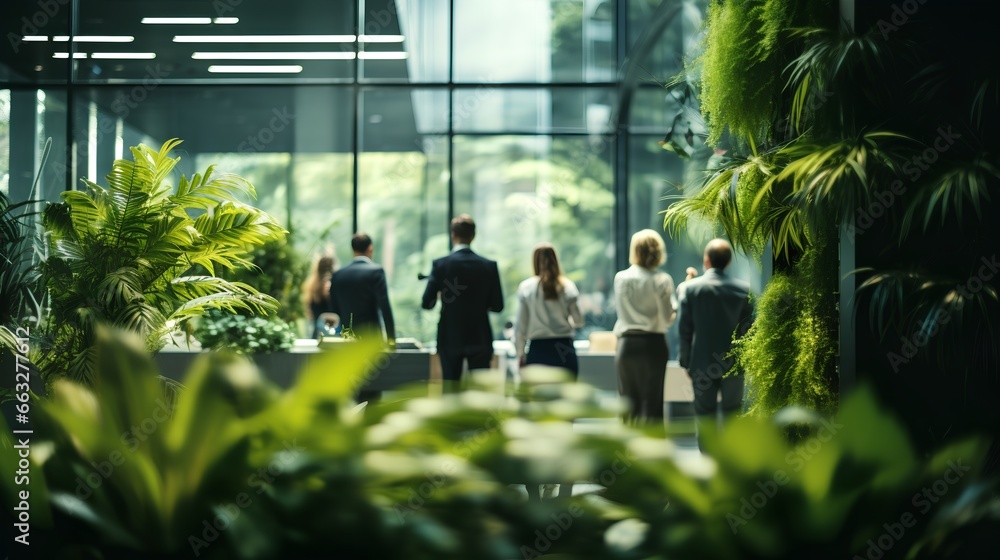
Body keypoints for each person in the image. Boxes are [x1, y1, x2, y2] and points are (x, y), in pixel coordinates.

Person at [677, 238, 754, 451]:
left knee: (705, 417)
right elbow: (748, 331)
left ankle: (708, 461)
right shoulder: (744, 290)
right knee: (732, 415)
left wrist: (685, 361)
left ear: (706, 260)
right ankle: (730, 461)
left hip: (701, 364)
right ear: (728, 262)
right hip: (734, 364)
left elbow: (685, 329)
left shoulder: (691, 289)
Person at [422, 214, 504, 388]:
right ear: (473, 236)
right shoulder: (489, 266)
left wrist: (441, 295)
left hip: (450, 337)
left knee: (450, 390)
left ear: (453, 236)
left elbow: (426, 303)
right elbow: (498, 306)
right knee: (480, 392)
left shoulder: (441, 264)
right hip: (480, 337)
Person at [612, 229, 677, 425]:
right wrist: (676, 305)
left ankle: (626, 444)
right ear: (657, 251)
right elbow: (667, 319)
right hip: (653, 345)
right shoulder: (662, 279)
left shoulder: (620, 278)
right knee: (653, 405)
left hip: (626, 345)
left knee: (627, 405)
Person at [514, 243, 584, 377]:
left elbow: (520, 327)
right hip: (563, 348)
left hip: (538, 350)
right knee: (567, 389)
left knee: (538, 390)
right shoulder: (568, 286)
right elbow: (579, 321)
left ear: (535, 261)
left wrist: (520, 354)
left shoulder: (526, 287)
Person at [328, 233, 396, 344]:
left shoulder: (338, 275)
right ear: (371, 248)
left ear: (353, 249)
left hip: (346, 340)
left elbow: (333, 310)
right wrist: (391, 340)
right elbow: (385, 307)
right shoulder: (376, 272)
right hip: (371, 340)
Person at [301, 250, 338, 339]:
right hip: (330, 334)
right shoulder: (329, 285)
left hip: (317, 332)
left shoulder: (312, 285)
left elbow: (309, 312)